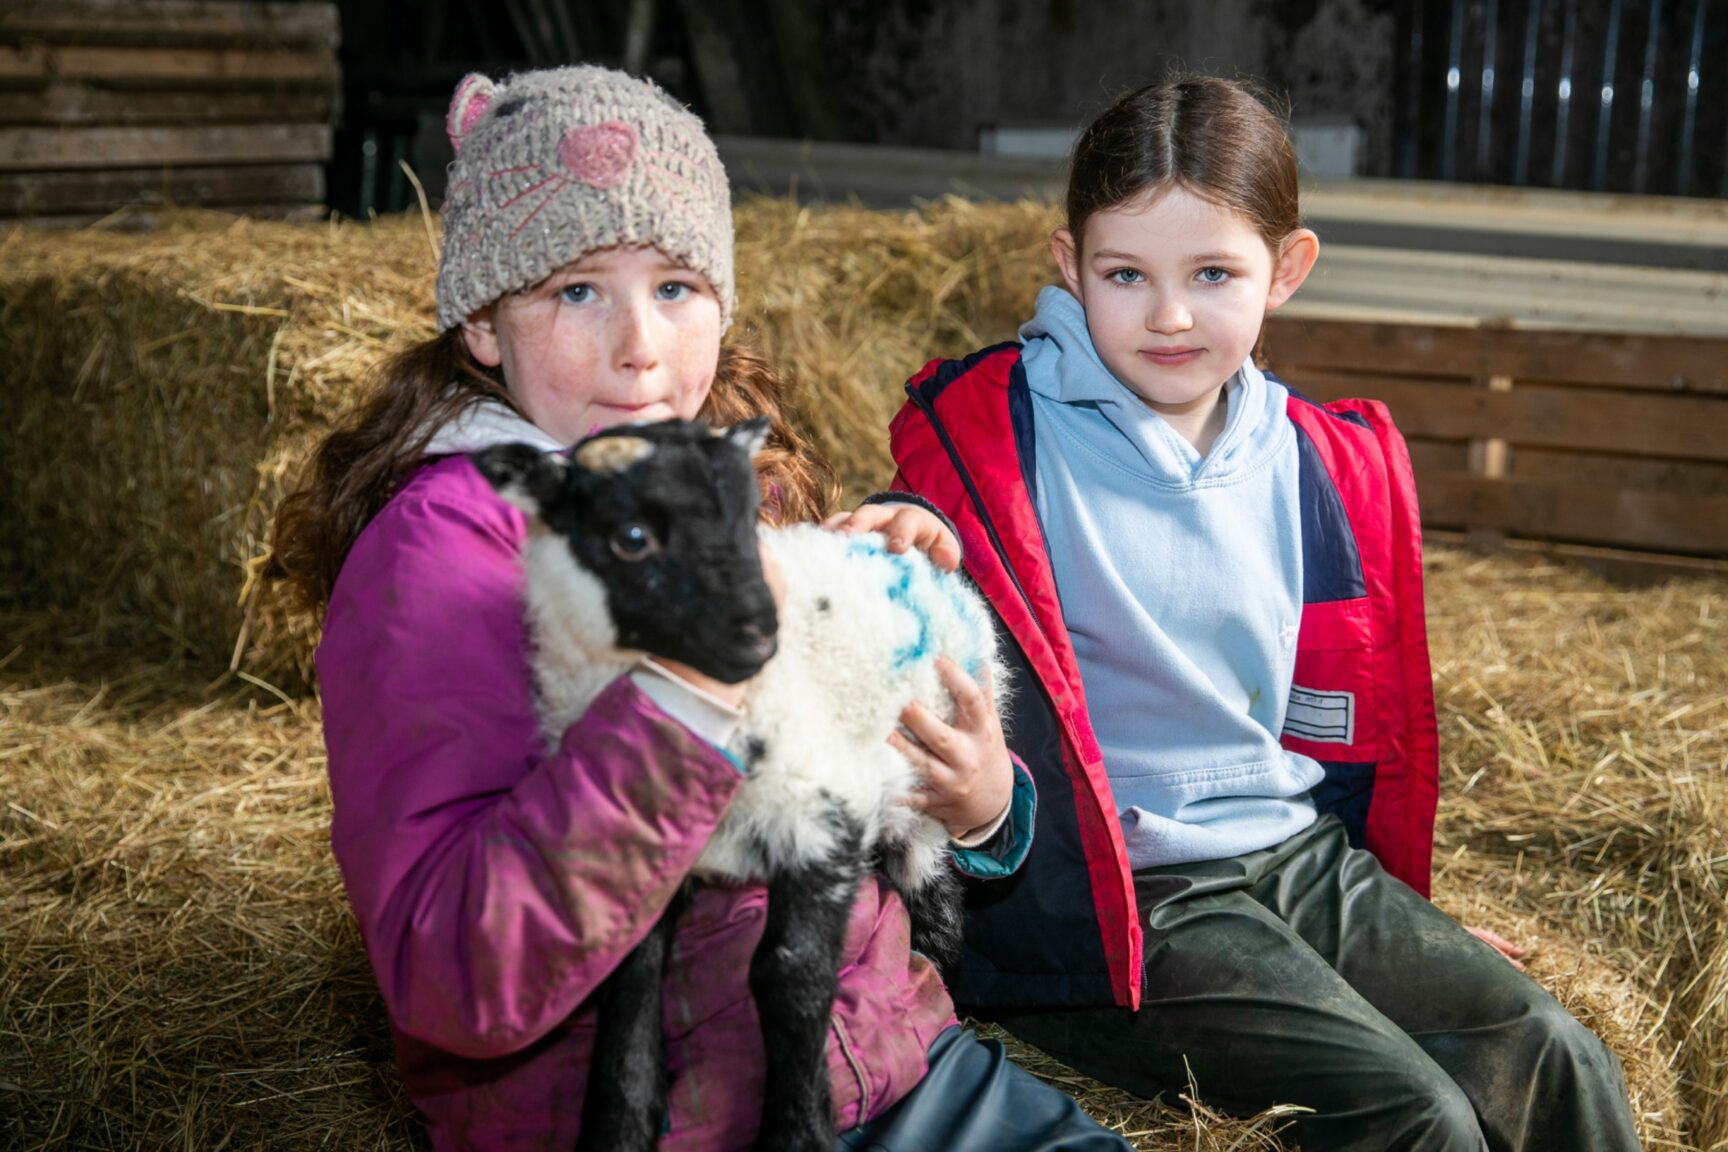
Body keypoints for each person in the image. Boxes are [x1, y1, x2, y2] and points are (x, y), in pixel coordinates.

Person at [269, 65, 1131, 1152]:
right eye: (576, 290)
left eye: (676, 287)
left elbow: (852, 807)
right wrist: (692, 690)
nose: (640, 344)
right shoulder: (447, 558)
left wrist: (970, 796)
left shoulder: (745, 481)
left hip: (893, 1062)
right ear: (485, 323)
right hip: (656, 1116)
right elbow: (456, 974)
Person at [885, 75, 1641, 1152]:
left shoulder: (1319, 459)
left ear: (1287, 270)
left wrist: (1403, 932)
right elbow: (919, 543)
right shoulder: (994, 431)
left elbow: (1355, 711)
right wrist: (899, 519)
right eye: (1125, 274)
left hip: (1294, 852)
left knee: (1551, 1047)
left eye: (1213, 272)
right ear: (1069, 266)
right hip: (1119, 890)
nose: (1171, 314)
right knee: (1415, 1114)